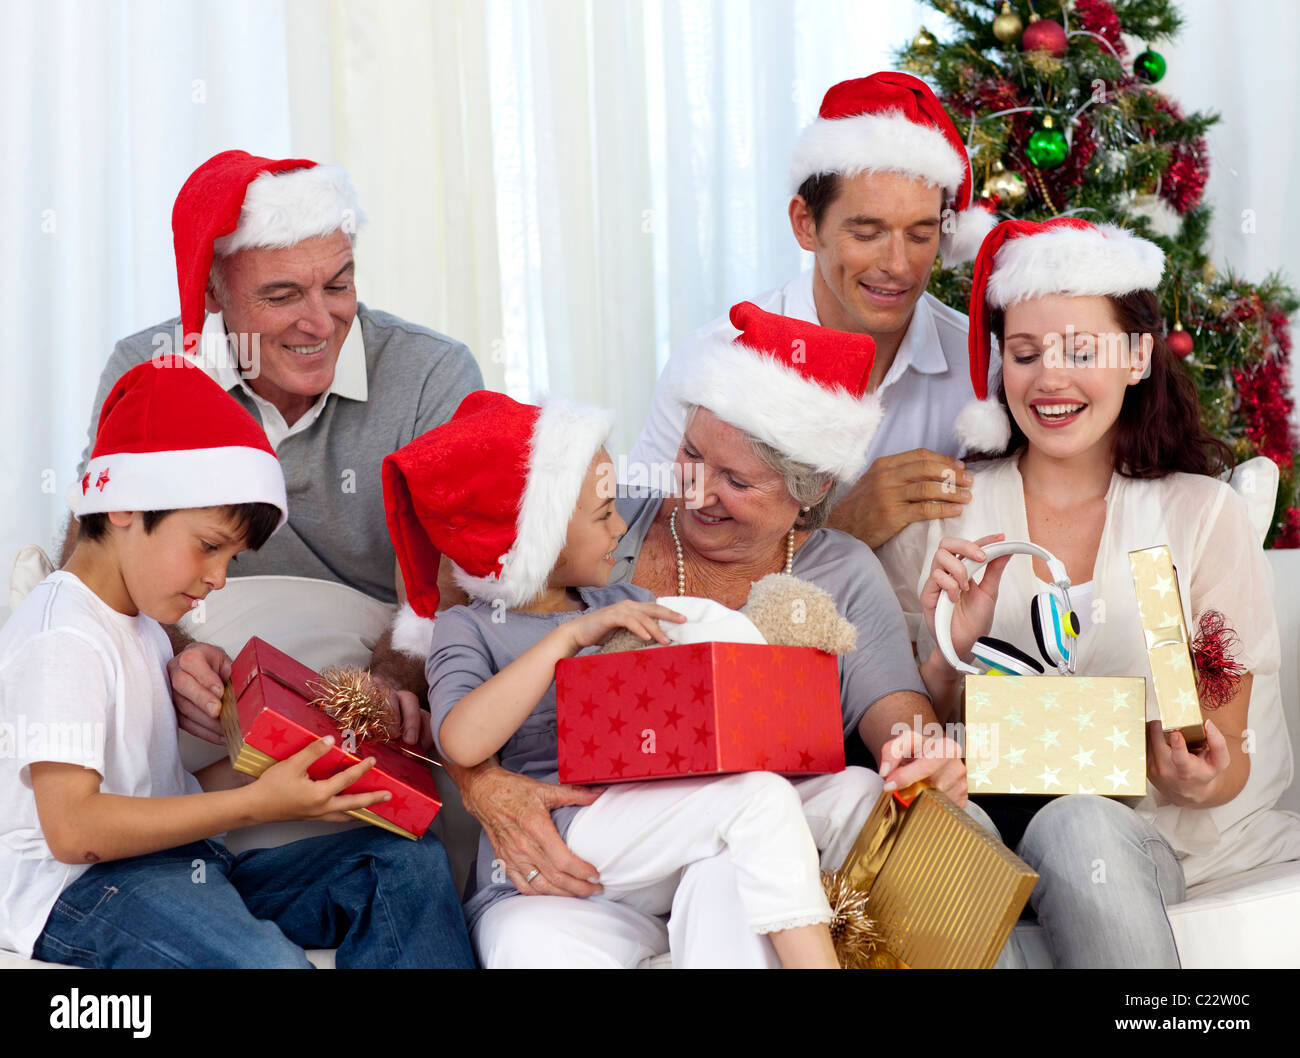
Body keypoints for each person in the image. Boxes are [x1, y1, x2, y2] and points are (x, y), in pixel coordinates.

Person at [413, 304, 970, 967]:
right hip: (589, 854)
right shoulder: (593, 530)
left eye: (736, 480)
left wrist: (920, 746)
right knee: (527, 941)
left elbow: (893, 714)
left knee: (842, 798)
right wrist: (481, 783)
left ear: (810, 489)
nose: (697, 492)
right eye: (692, 455)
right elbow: (476, 572)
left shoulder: (839, 569)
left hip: (721, 845)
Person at [877, 217, 1300, 967]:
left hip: (1158, 843)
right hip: (990, 830)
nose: (1050, 379)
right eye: (1025, 353)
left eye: (1082, 351)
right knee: (945, 846)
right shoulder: (950, 515)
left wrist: (1193, 774)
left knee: (1078, 822)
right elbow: (904, 737)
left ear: (1138, 356)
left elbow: (1225, 755)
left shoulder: (1199, 515)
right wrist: (954, 650)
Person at [1, 359, 474, 968]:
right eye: (208, 546)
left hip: (181, 864)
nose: (219, 578)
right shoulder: (62, 635)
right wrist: (260, 804)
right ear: (122, 506)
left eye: (232, 556)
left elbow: (167, 797)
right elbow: (76, 831)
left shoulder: (140, 622)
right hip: (83, 892)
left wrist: (288, 758)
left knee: (401, 864)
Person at [56, 150, 483, 748]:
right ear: (212, 290)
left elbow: (452, 570)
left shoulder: (431, 372)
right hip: (195, 659)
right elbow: (95, 548)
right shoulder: (150, 369)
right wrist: (173, 661)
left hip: (372, 652)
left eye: (338, 285)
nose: (321, 322)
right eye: (282, 296)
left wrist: (388, 684)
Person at [628, 71, 998, 550]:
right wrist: (838, 530)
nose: (897, 266)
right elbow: (644, 551)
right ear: (806, 225)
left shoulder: (981, 367)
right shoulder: (717, 357)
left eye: (921, 235)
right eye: (866, 233)